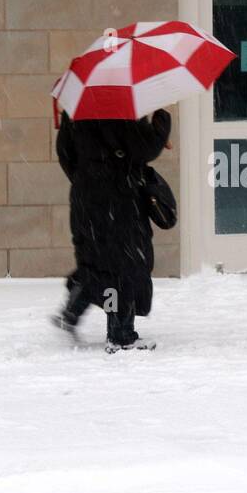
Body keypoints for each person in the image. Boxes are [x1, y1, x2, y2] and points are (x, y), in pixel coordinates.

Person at [52, 108, 172, 352]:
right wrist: (161, 122)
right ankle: (121, 334)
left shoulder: (77, 109)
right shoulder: (122, 110)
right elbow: (144, 148)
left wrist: (89, 176)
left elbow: (65, 154)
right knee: (127, 266)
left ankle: (73, 310)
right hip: (119, 200)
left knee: (96, 262)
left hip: (86, 201)